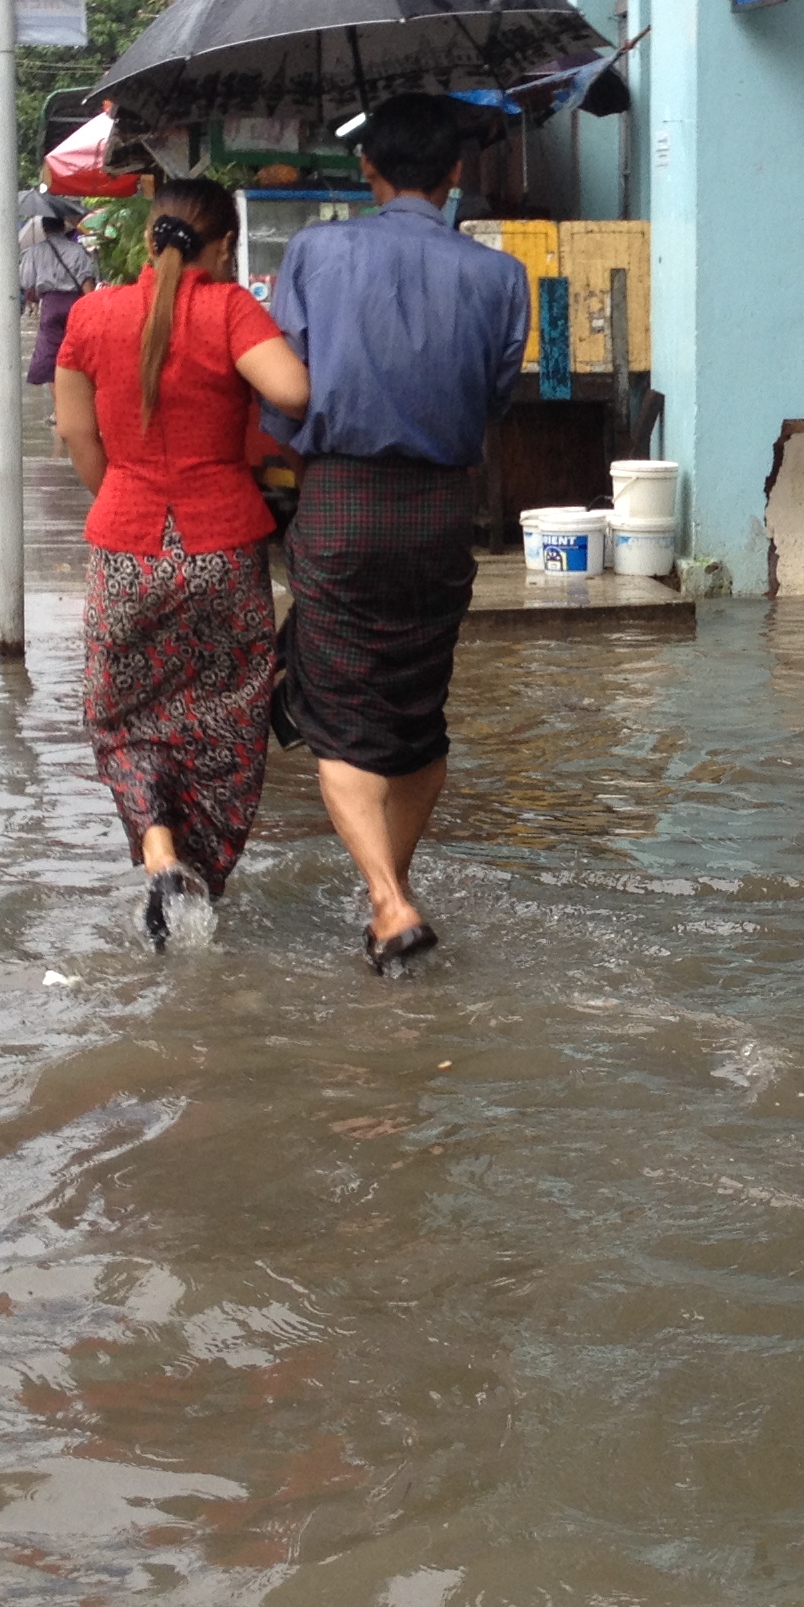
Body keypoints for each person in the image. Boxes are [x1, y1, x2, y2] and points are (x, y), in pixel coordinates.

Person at [265, 93, 531, 971]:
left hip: (340, 500)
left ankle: (387, 899)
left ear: (367, 169)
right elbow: (495, 399)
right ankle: (392, 903)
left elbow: (285, 391)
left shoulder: (314, 251)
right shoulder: (500, 278)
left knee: (337, 717)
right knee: (416, 716)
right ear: (456, 172)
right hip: (443, 512)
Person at [53, 179, 312, 948]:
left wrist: (127, 504)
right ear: (224, 246)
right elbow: (293, 392)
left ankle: (158, 856)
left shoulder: (90, 316)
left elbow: (76, 436)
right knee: (227, 721)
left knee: (122, 720)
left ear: (146, 239)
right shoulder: (231, 309)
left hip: (125, 548)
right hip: (223, 547)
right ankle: (199, 880)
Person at [21, 192, 99, 385]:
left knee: (50, 357)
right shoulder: (78, 251)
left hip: (50, 305)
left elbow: (27, 284)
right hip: (76, 306)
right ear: (64, 226)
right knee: (76, 354)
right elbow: (87, 284)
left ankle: (58, 410)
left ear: (44, 229)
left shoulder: (33, 252)